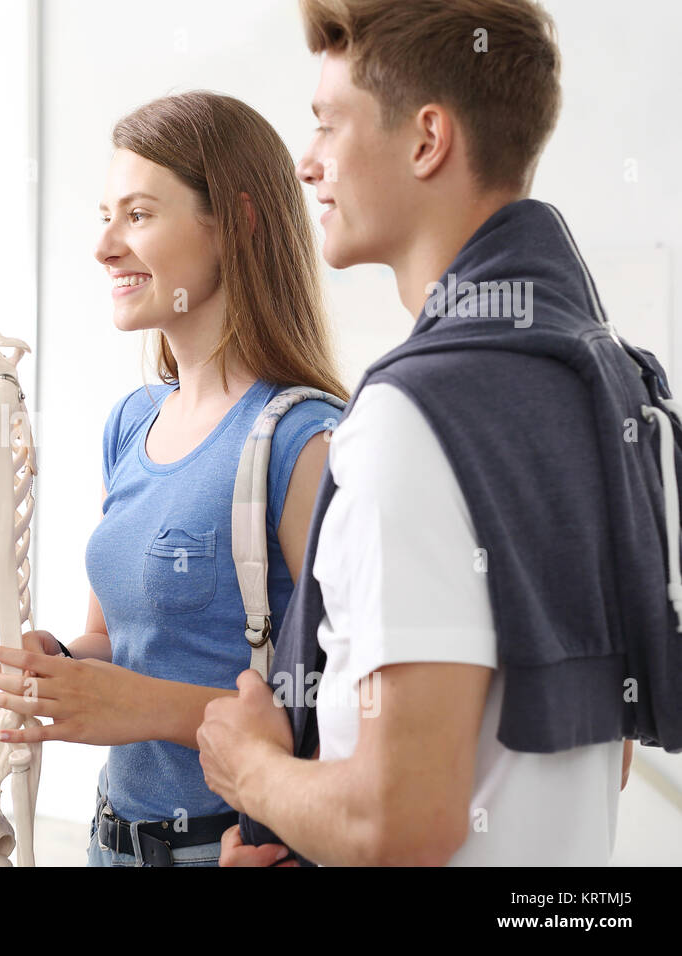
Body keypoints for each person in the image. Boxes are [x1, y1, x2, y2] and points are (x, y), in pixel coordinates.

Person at [198, 0, 674, 866]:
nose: (307, 164)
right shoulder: (615, 387)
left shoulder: (411, 421)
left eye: (328, 125)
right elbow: (586, 754)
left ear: (427, 140)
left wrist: (251, 770)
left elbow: (402, 823)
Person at [0, 92, 348, 866]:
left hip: (227, 849)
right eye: (104, 214)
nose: (104, 246)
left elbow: (341, 716)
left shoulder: (302, 442)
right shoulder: (132, 422)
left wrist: (140, 706)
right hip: (111, 841)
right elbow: (116, 640)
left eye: (139, 215)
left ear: (238, 223)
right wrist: (65, 663)